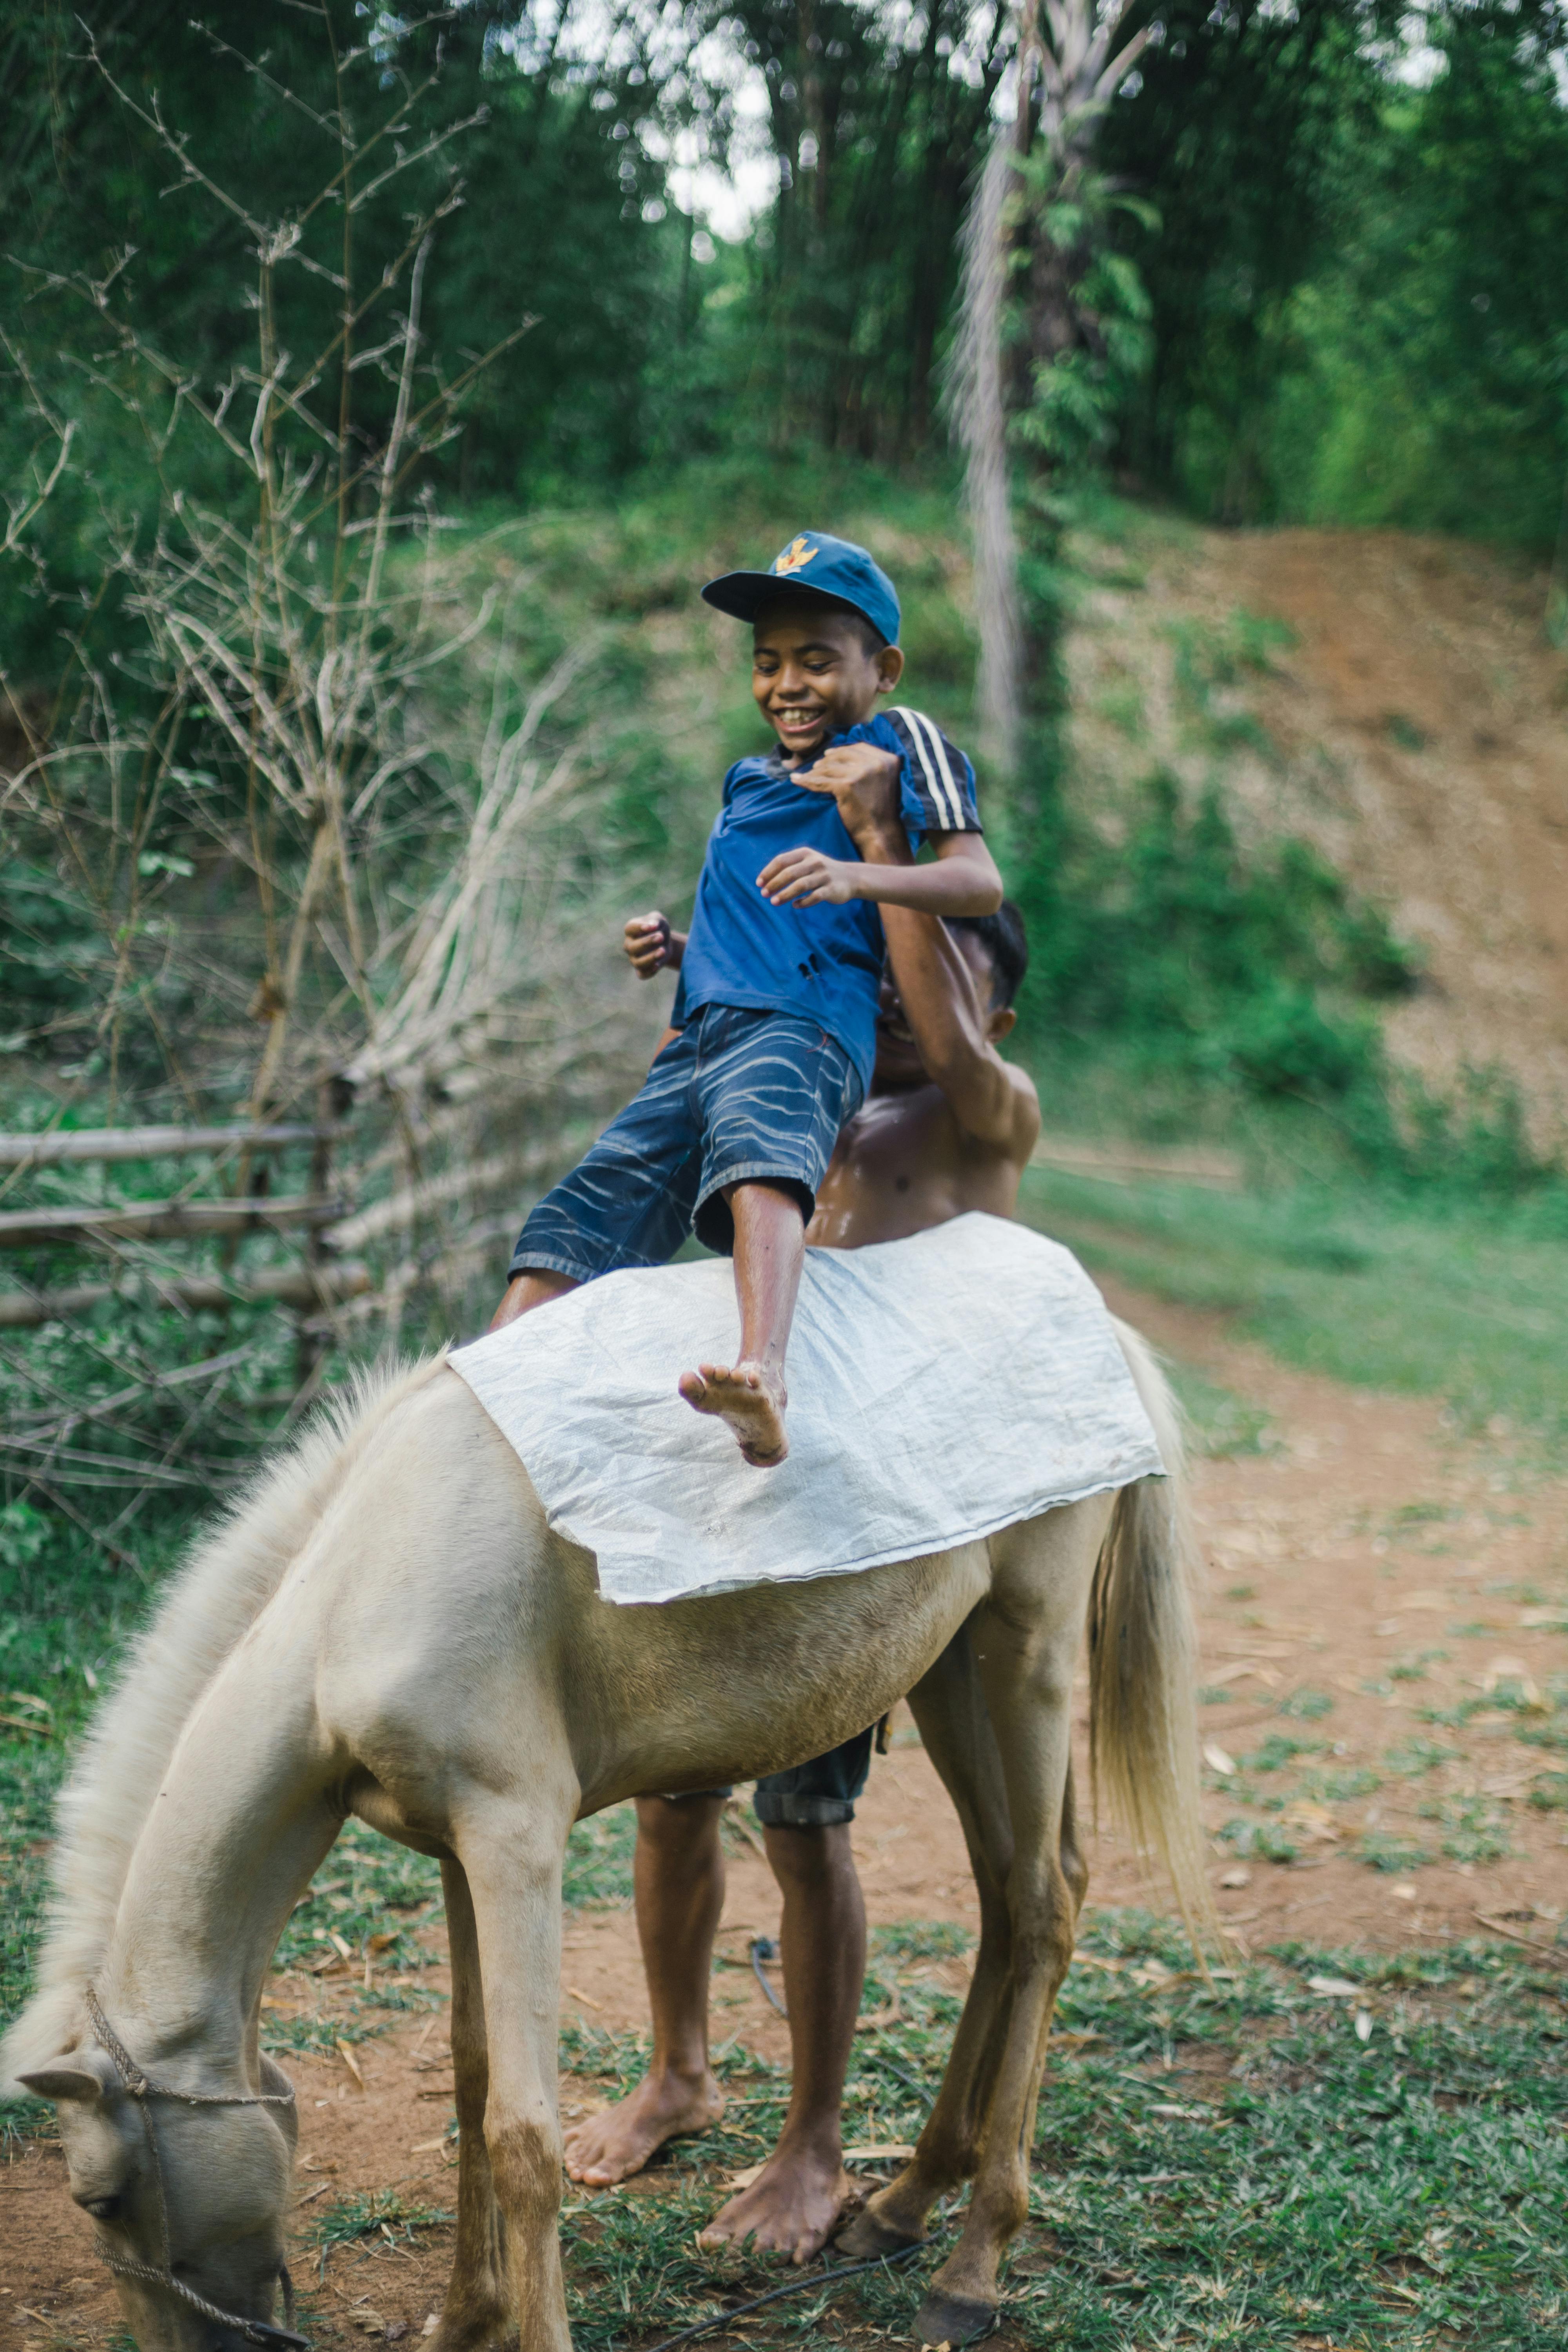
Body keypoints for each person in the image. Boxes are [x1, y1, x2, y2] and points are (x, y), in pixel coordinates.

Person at [561, 775, 1039, 2265]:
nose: (896, 999)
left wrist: (889, 862)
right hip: (748, 1474)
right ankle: (680, 2071)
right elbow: (722, 1074)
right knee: (674, 1797)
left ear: (988, 1009)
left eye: (929, 977)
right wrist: (700, 957)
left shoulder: (980, 1112)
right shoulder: (816, 1091)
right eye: (885, 976)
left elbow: (945, 1020)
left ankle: (815, 2139)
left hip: (860, 1511)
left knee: (805, 1816)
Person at [489, 530, 1003, 1468]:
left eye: (817, 661)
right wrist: (678, 950)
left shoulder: (900, 742)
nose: (786, 685)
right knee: (587, 1200)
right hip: (701, 1032)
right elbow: (750, 927)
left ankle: (764, 1374)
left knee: (759, 1156)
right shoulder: (747, 780)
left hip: (807, 1023)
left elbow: (977, 884)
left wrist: (860, 873)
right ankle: (487, 1377)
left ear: (883, 669)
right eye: (767, 663)